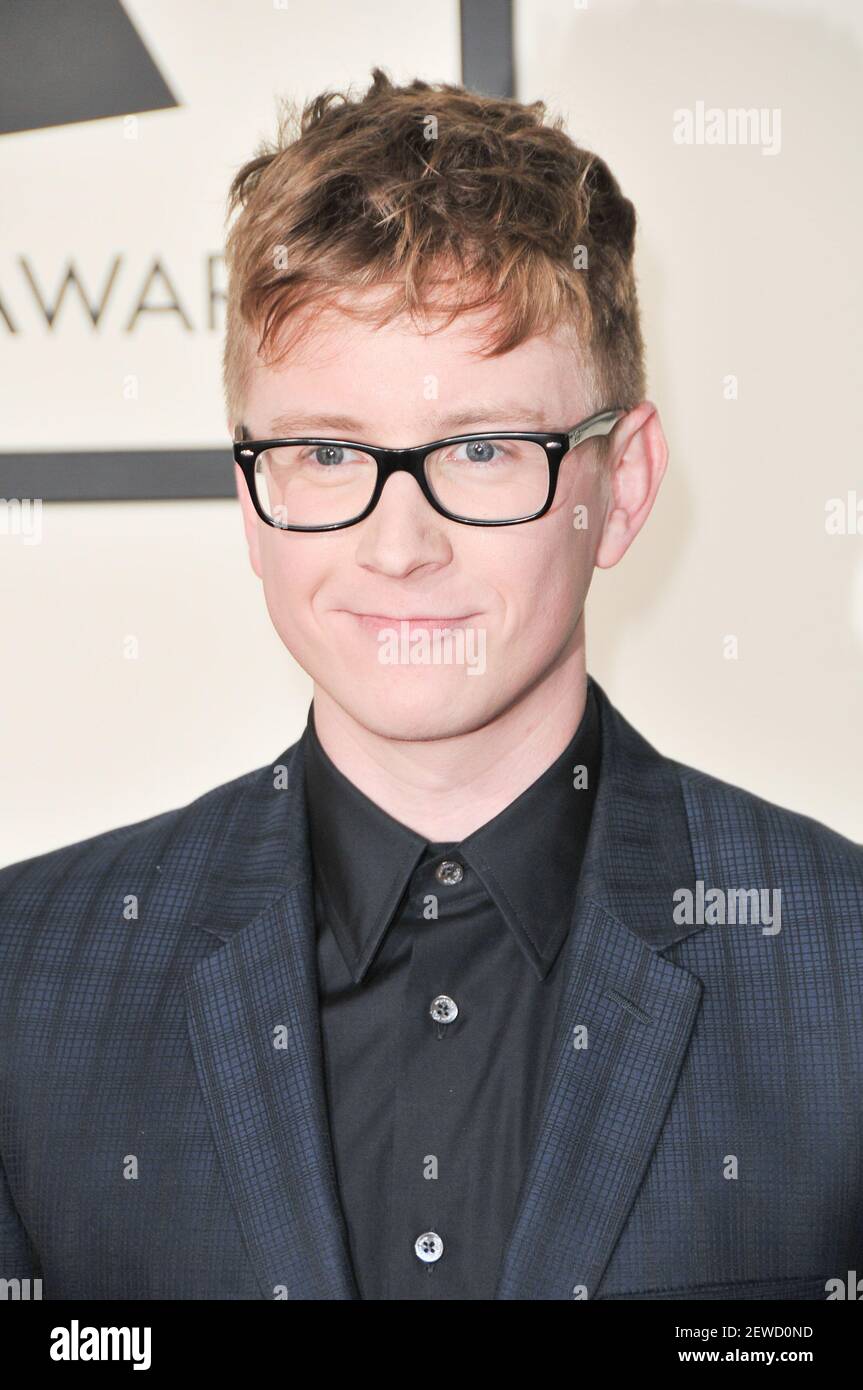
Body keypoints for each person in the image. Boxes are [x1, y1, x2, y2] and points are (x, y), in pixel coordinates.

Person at [1, 69, 860, 1303]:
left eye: (480, 448)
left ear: (619, 487)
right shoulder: (27, 980)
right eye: (326, 452)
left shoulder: (838, 968)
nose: (398, 545)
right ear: (253, 499)